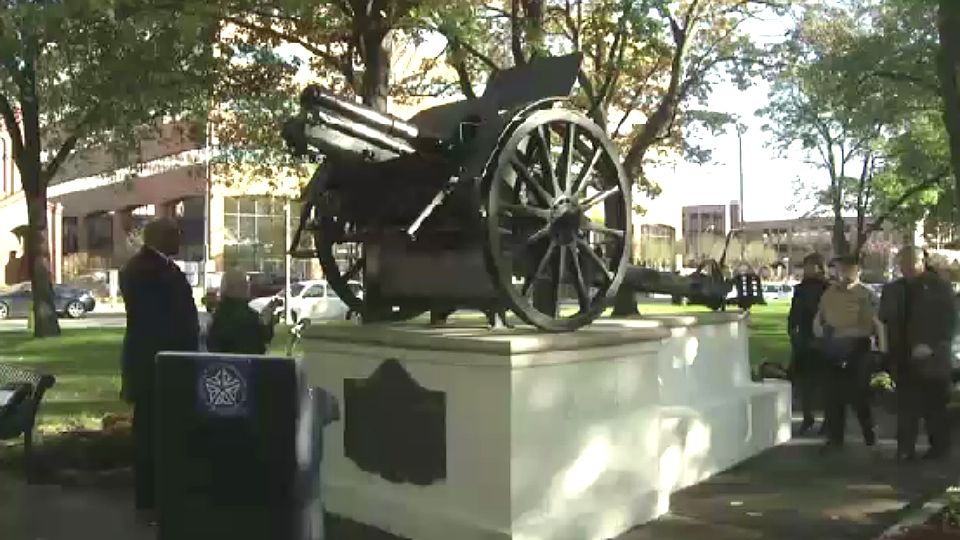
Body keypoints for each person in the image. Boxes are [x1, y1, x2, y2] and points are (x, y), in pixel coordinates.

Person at [119, 218, 199, 522]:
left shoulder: (158, 267)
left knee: (159, 430)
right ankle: (150, 500)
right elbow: (156, 321)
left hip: (163, 362)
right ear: (160, 238)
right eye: (175, 235)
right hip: (155, 364)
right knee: (151, 433)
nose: (180, 240)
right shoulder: (146, 271)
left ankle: (158, 497)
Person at [879, 246, 957, 461]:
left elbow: (949, 321)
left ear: (922, 261)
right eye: (902, 263)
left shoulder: (939, 287)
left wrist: (932, 345)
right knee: (906, 407)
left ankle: (939, 448)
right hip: (901, 355)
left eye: (911, 262)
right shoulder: (893, 289)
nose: (906, 267)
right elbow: (883, 320)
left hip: (932, 357)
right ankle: (905, 449)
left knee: (934, 407)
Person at [814, 255, 882, 451]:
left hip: (857, 349)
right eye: (839, 269)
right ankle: (835, 439)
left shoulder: (866, 294)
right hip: (832, 348)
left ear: (857, 271)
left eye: (847, 269)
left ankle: (870, 436)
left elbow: (870, 326)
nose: (842, 274)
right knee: (833, 397)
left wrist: (843, 332)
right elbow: (820, 318)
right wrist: (819, 330)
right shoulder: (829, 293)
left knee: (859, 396)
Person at [787, 253, 830, 435]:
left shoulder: (827, 288)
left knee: (824, 381)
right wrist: (792, 330)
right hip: (803, 338)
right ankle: (807, 416)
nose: (807, 269)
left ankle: (828, 419)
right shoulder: (800, 289)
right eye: (806, 266)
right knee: (804, 381)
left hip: (822, 338)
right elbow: (794, 312)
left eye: (811, 266)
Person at [207, 269, 275, 355]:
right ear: (233, 287)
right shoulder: (247, 316)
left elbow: (212, 345)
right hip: (247, 364)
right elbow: (263, 339)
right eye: (244, 283)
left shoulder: (219, 315)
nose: (247, 286)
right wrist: (266, 323)